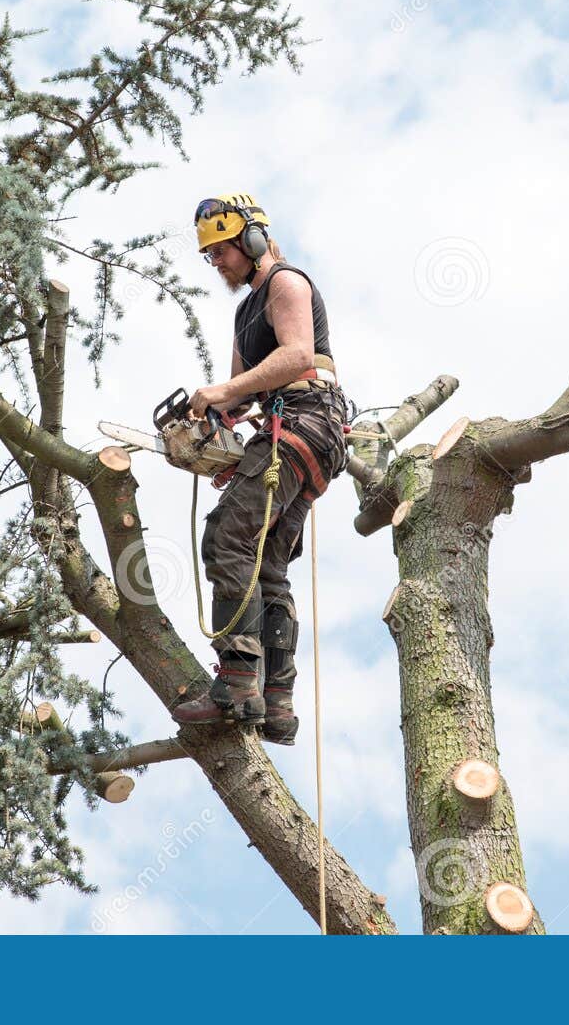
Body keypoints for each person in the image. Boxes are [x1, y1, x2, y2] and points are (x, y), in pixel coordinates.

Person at [171, 192, 350, 744]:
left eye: (222, 250)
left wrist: (222, 390)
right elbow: (239, 398)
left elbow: (296, 357)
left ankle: (236, 684)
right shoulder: (245, 312)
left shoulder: (287, 283)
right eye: (210, 255)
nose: (217, 263)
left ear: (251, 239)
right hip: (291, 431)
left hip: (304, 421)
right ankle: (277, 704)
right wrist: (211, 422)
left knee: (227, 537)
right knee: (267, 564)